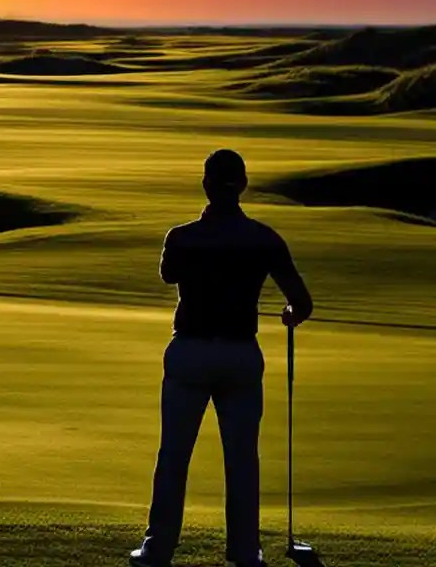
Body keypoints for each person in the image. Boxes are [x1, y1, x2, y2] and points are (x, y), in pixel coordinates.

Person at [131, 149, 313, 567]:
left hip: (190, 351)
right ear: (243, 185)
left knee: (174, 456)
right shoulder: (265, 239)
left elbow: (168, 274)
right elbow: (301, 303)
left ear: (206, 186)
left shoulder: (181, 237)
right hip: (240, 354)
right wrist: (289, 315)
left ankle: (157, 549)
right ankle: (246, 552)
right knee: (242, 460)